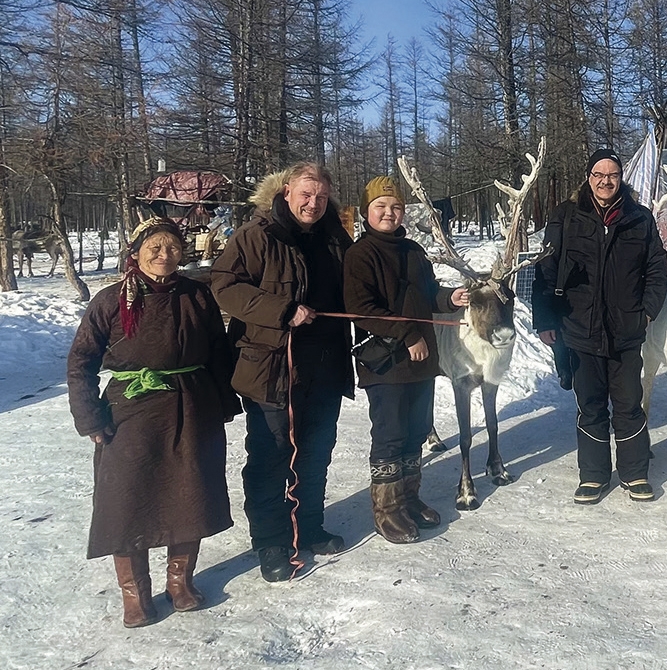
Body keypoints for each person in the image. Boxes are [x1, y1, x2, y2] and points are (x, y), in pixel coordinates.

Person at [67, 219, 240, 627]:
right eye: (155, 247)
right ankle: (135, 592)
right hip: (130, 411)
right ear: (137, 251)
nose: (165, 255)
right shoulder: (111, 300)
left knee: (190, 492)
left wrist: (223, 404)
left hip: (192, 405)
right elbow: (81, 361)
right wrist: (90, 415)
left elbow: (218, 351)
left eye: (173, 247)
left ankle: (179, 581)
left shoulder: (197, 295)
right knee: (125, 500)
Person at [211, 162, 353, 582]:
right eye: (306, 194)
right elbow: (225, 285)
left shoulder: (334, 237)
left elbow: (361, 283)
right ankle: (272, 541)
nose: (313, 203)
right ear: (287, 191)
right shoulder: (258, 234)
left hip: (325, 364)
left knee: (315, 450)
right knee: (272, 456)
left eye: (322, 196)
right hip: (271, 367)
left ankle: (308, 525)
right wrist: (282, 310)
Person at [533, 148, 667, 504]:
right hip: (578, 326)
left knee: (628, 403)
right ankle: (593, 476)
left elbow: (658, 267)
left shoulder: (639, 218)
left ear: (620, 178)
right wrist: (545, 318)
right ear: (588, 177)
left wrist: (648, 310)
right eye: (598, 174)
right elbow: (545, 268)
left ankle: (635, 473)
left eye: (612, 175)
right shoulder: (566, 216)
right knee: (591, 404)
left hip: (626, 328)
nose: (605, 181)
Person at [343, 176, 469, 544]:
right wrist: (410, 335)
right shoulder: (359, 255)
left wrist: (450, 298)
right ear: (367, 211)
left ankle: (409, 499)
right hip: (385, 362)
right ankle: (386, 510)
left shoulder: (413, 250)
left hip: (420, 361)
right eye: (381, 206)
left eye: (395, 207)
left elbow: (427, 294)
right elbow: (361, 309)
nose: (389, 213)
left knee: (415, 432)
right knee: (390, 434)